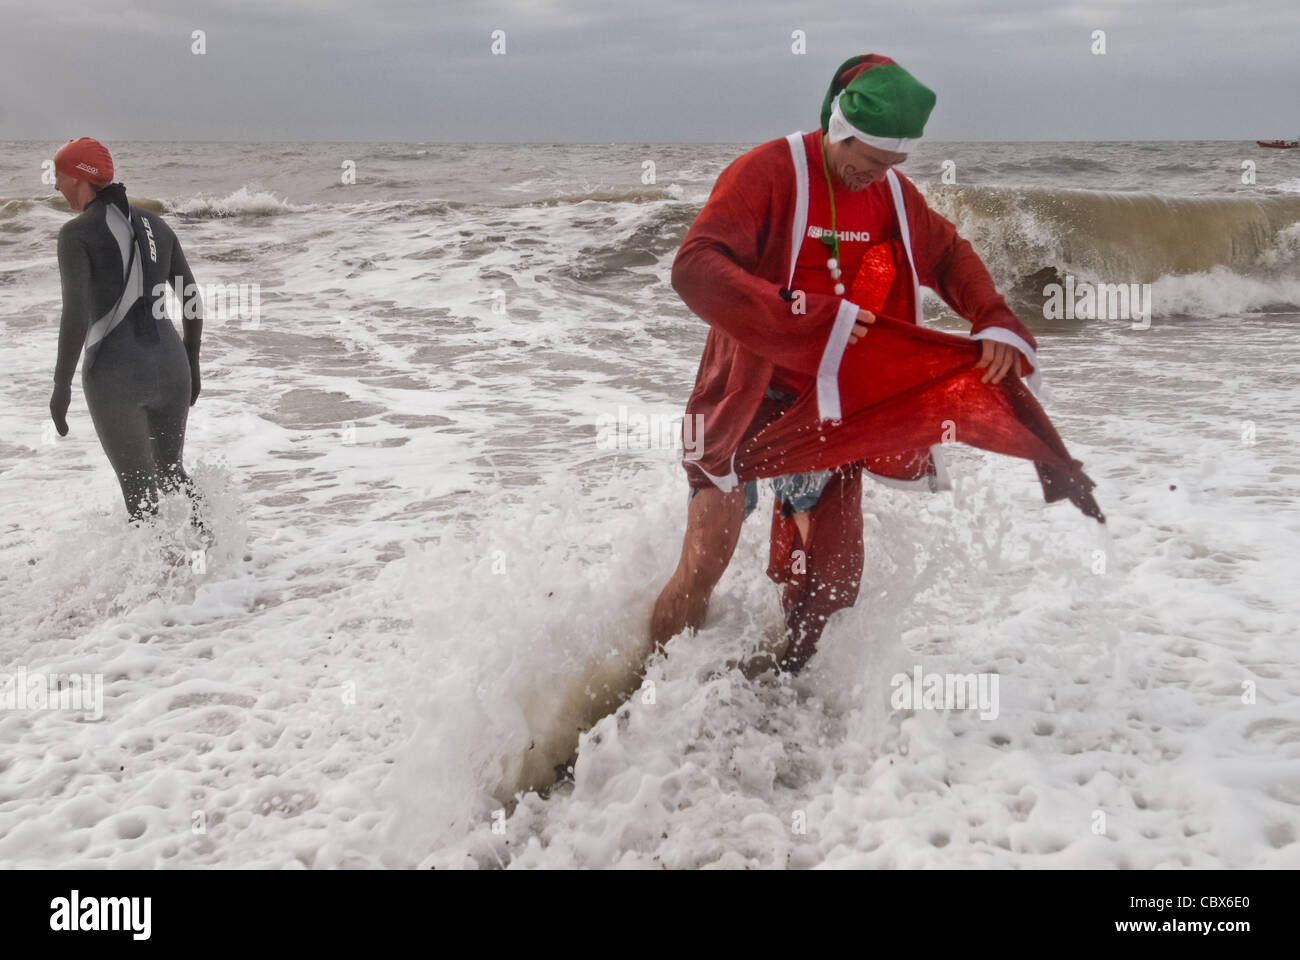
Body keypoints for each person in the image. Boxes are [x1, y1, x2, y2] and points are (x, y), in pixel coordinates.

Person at [651, 54, 1043, 674]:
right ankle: (650, 691)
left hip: (828, 408)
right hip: (743, 400)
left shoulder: (887, 190)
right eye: (871, 158)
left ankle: (785, 691)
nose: (878, 175)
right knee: (705, 561)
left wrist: (991, 314)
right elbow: (694, 266)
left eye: (895, 163)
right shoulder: (769, 172)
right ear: (839, 129)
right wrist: (803, 313)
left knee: (833, 582)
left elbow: (946, 255)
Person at [49, 137, 206, 526]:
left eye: (59, 176)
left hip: (115, 375)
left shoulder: (76, 234)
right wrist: (192, 365)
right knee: (172, 475)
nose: (55, 186)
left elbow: (76, 314)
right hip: (172, 369)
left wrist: (61, 386)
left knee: (141, 500)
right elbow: (192, 302)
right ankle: (216, 558)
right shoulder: (157, 224)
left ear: (77, 178)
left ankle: (160, 585)